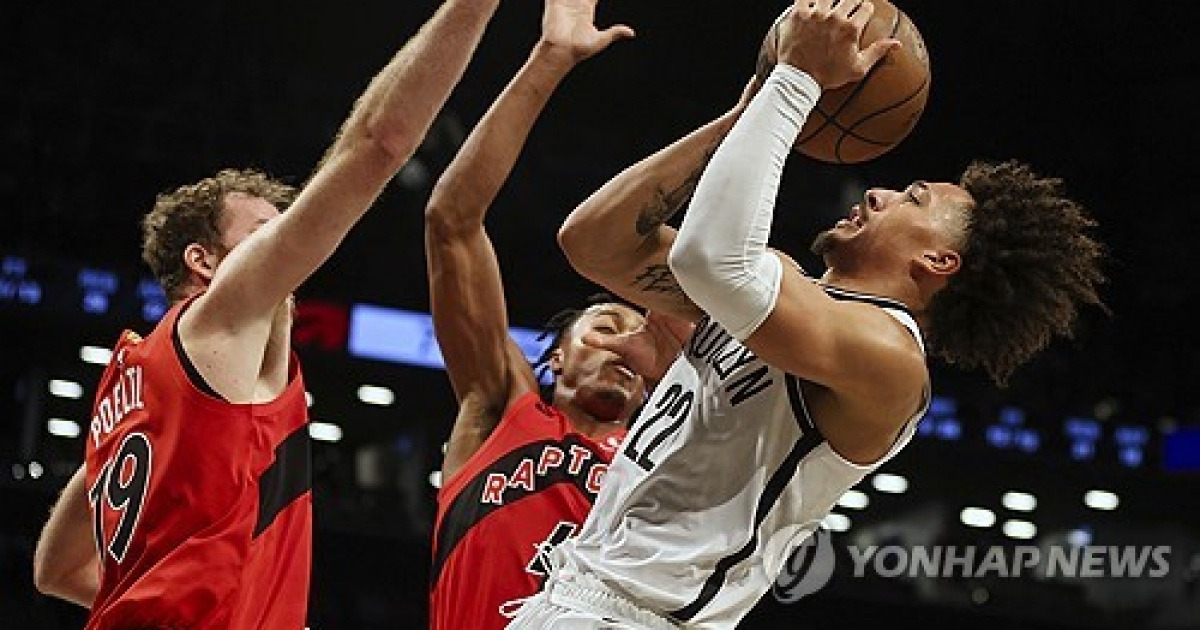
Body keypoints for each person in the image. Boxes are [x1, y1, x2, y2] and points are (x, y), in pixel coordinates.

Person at [512, 0, 1107, 627]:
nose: (878, 192)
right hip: (573, 590)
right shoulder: (779, 288)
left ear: (939, 261)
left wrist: (797, 81)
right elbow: (592, 243)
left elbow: (714, 260)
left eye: (913, 199)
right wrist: (743, 117)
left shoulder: (889, 361)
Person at [30, 0, 505, 626]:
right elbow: (378, 144)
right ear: (204, 260)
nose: (286, 244)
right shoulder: (218, 315)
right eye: (263, 234)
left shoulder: (131, 388)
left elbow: (55, 569)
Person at [422, 0, 693, 628]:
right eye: (603, 327)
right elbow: (452, 221)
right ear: (555, 355)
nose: (623, 345)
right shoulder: (501, 409)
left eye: (638, 333)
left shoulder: (670, 459)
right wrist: (549, 62)